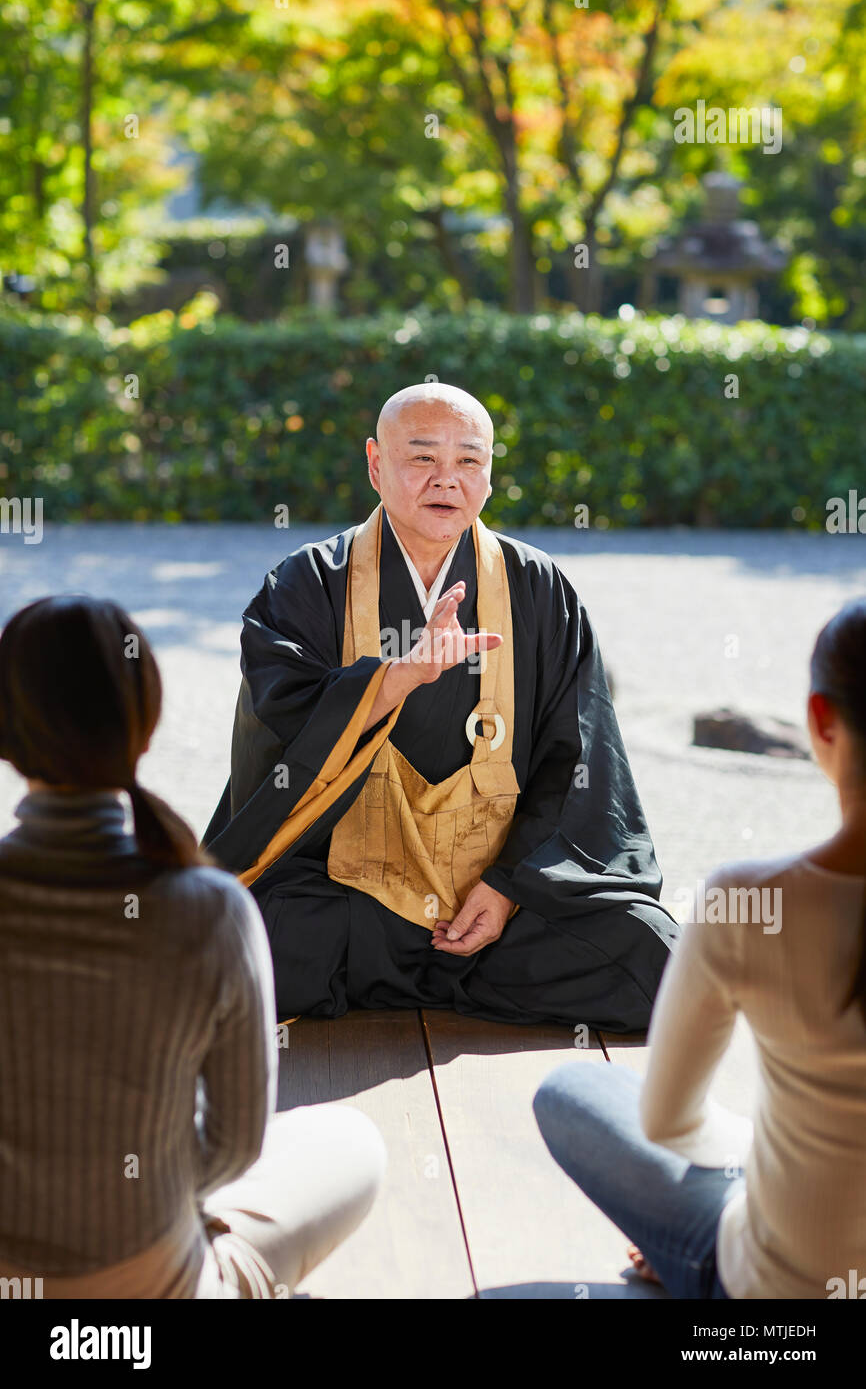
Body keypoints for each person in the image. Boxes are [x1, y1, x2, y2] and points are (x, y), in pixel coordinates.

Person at [204, 382, 678, 1030]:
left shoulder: (536, 588)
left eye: (468, 461)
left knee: (656, 957)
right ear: (376, 464)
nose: (446, 480)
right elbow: (281, 727)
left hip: (496, 900)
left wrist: (512, 886)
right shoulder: (310, 581)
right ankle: (444, 978)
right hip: (347, 893)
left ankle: (407, 974)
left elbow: (578, 760)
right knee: (230, 954)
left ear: (489, 475)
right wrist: (390, 682)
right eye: (422, 458)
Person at [0, 595, 386, 1298]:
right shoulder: (209, 909)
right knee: (353, 1144)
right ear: (144, 728)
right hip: (143, 1284)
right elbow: (236, 1144)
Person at [533, 597, 866, 1299]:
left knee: (573, 1090)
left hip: (773, 1291)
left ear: (819, 720)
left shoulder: (752, 901)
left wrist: (757, 1161)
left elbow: (669, 1121)